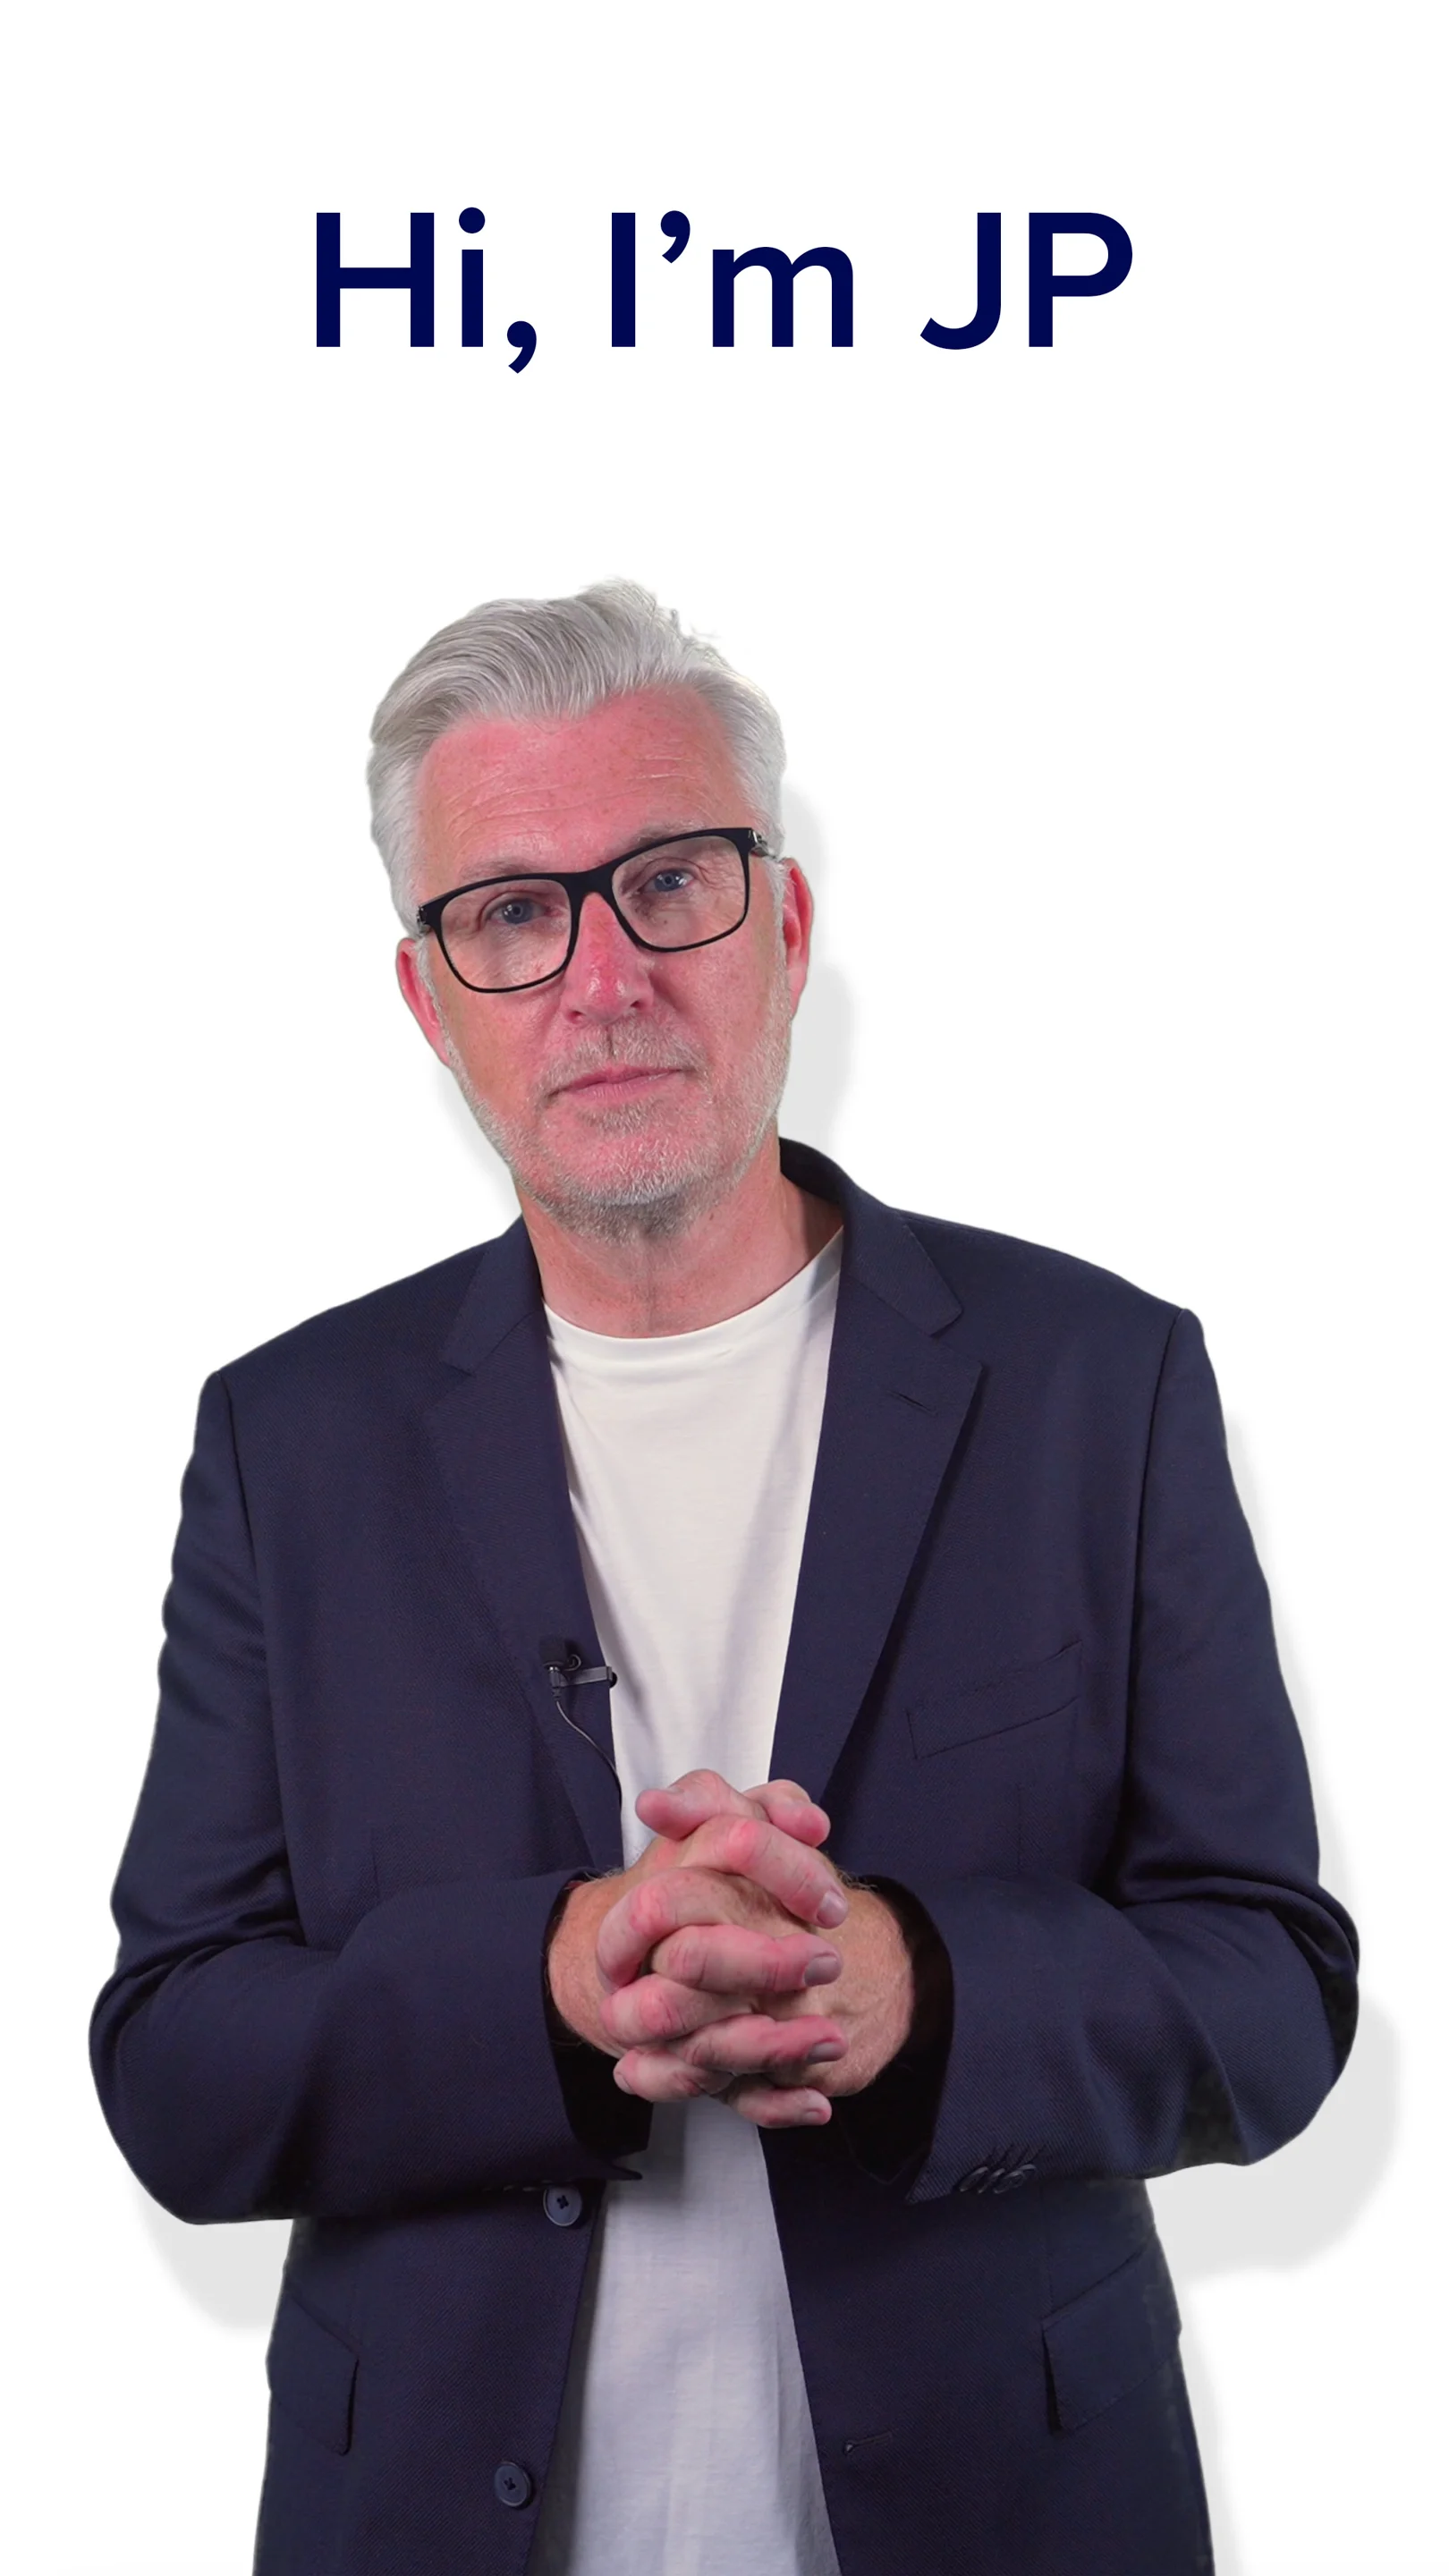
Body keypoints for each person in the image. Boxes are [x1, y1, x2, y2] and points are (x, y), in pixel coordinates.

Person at [90, 581, 1359, 2576]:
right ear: (428, 1001)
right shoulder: (287, 1440)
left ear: (786, 926)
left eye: (670, 881)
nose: (603, 977)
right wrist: (547, 1981)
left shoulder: (1098, 1384)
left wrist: (921, 1988)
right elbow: (178, 2064)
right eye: (513, 913)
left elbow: (1273, 1994)